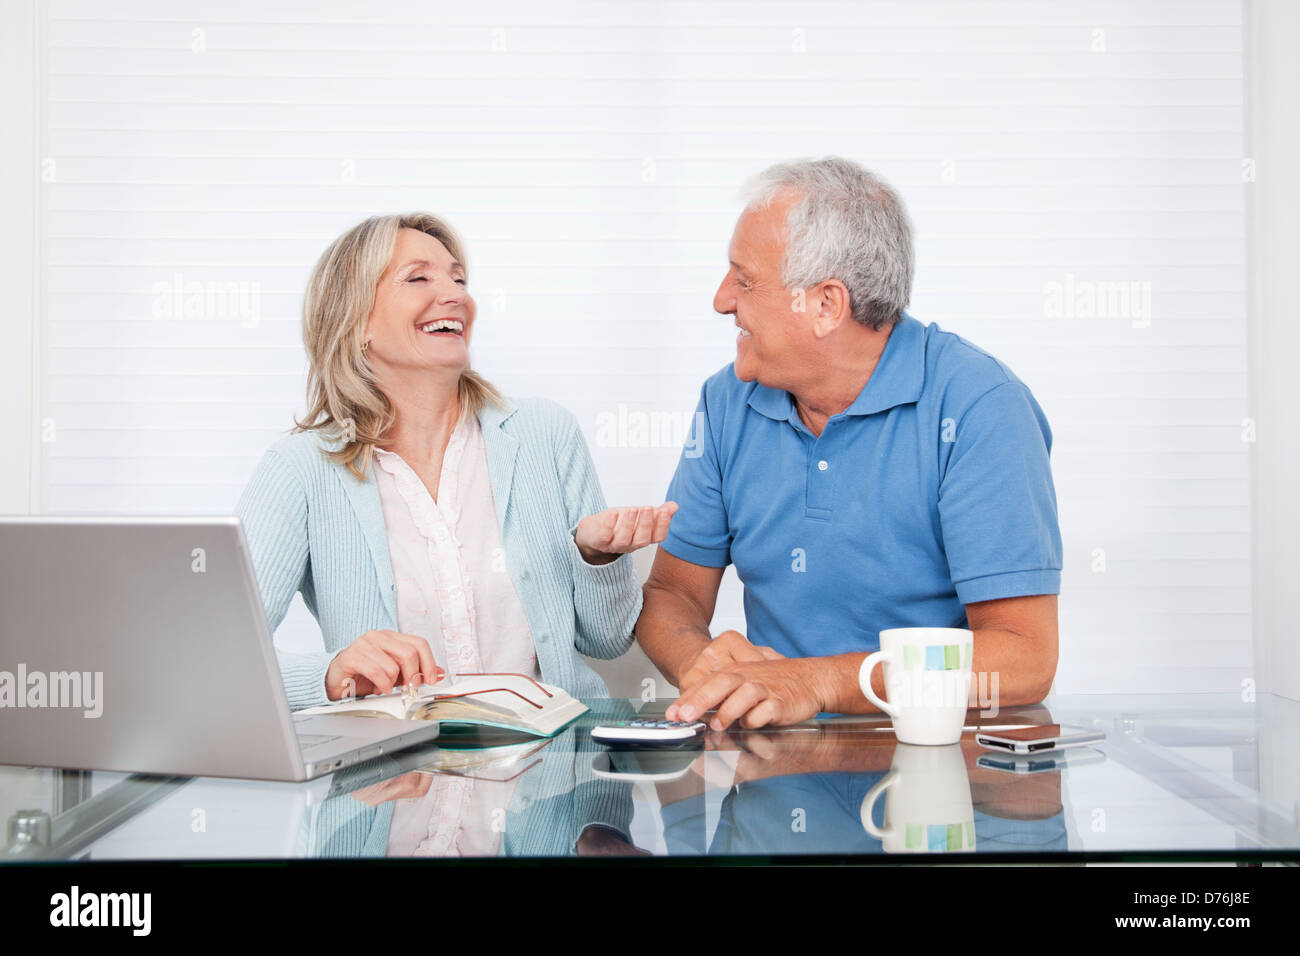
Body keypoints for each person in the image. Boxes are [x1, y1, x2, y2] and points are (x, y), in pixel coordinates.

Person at [636, 157, 1062, 731]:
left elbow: (1025, 658)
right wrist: (697, 659)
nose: (721, 299)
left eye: (744, 279)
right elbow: (670, 594)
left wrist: (821, 680)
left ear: (826, 305)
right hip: (775, 770)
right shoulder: (726, 402)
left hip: (934, 772)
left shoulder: (979, 405)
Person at [236, 212, 676, 713]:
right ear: (356, 321)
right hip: (396, 777)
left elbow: (610, 639)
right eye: (419, 278)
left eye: (459, 278)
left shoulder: (545, 435)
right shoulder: (300, 470)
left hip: (555, 772)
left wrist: (599, 560)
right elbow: (218, 654)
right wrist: (330, 674)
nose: (455, 295)